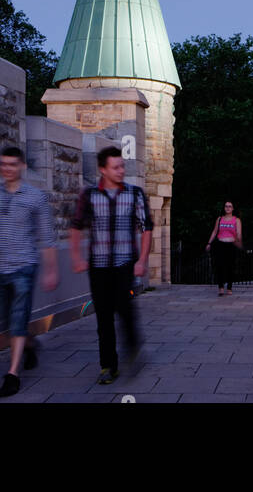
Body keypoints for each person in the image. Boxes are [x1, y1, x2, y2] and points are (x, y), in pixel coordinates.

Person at [0, 146, 58, 398]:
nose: (7, 169)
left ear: (22, 166)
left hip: (24, 267)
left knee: (17, 318)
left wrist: (51, 270)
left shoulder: (36, 197)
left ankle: (12, 374)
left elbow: (47, 237)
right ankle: (29, 344)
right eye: (3, 164)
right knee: (5, 325)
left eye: (12, 164)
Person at [69, 146, 153, 384]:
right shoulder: (90, 195)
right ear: (103, 169)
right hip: (99, 266)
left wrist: (142, 260)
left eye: (122, 166)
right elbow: (76, 226)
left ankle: (133, 346)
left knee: (125, 309)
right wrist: (76, 257)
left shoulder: (134, 194)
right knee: (103, 318)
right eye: (116, 167)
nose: (121, 171)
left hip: (125, 264)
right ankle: (108, 366)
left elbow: (146, 227)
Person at [205, 200, 243, 295]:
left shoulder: (236, 220)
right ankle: (221, 287)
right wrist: (209, 243)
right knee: (219, 266)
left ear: (233, 208)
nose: (228, 208)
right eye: (226, 206)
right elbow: (214, 231)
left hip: (231, 245)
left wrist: (239, 241)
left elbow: (239, 233)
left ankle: (229, 287)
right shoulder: (219, 219)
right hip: (220, 244)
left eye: (230, 206)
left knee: (230, 267)